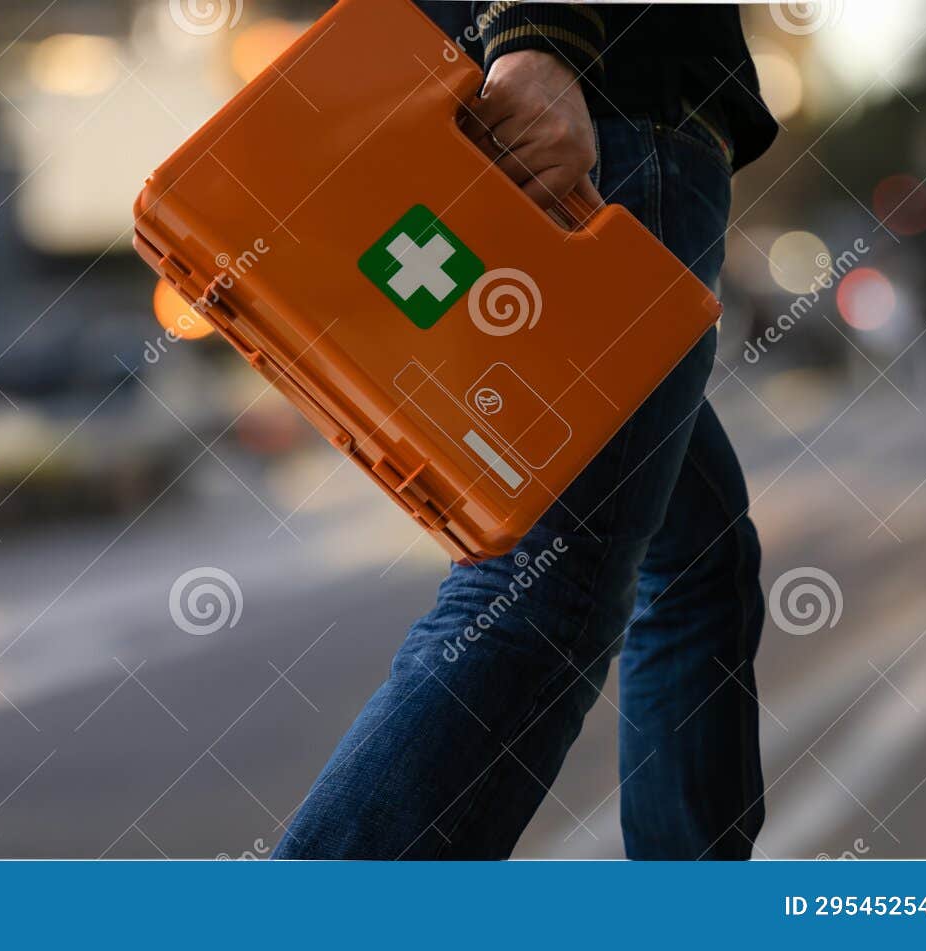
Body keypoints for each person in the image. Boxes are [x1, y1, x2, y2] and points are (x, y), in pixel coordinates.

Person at [275, 2, 779, 860]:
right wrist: (540, 41)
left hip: (502, 96)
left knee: (695, 562)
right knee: (548, 581)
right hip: (598, 113)